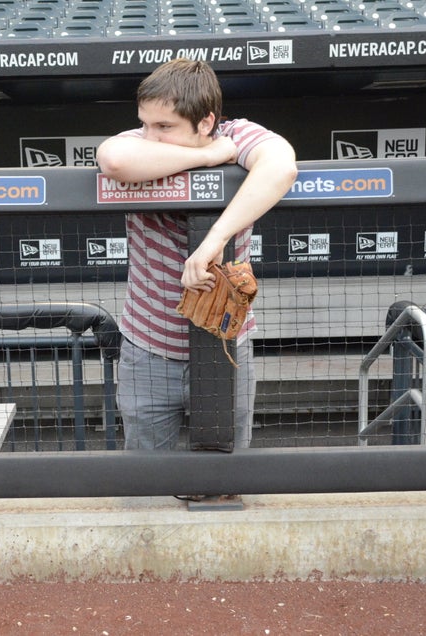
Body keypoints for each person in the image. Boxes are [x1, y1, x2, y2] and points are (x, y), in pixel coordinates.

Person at [96, 58, 298, 451]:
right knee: (148, 480)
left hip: (224, 342)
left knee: (225, 477)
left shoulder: (237, 132)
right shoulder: (139, 143)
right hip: (148, 346)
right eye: (146, 123)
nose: (150, 136)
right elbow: (115, 160)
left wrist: (214, 240)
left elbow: (282, 168)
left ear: (206, 123)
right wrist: (209, 157)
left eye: (165, 127)